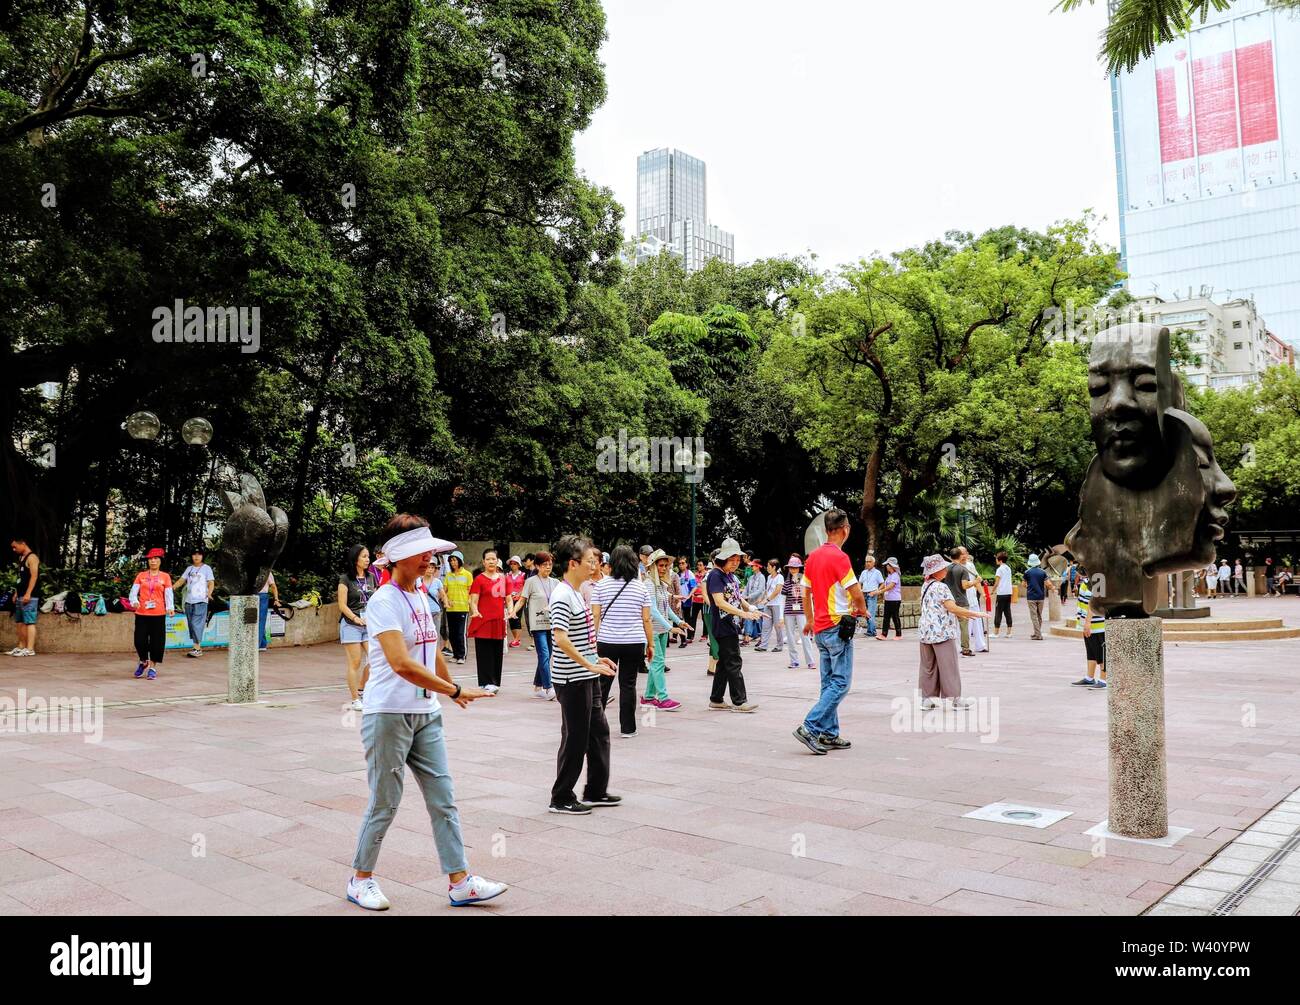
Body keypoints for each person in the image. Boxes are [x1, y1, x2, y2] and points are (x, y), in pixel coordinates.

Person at [347, 514, 506, 911]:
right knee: (385, 800)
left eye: (431, 552)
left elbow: (430, 648)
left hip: (426, 713)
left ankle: (460, 882)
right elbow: (401, 663)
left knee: (443, 798)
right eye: (422, 552)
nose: (430, 558)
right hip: (388, 714)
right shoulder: (384, 601)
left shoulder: (422, 596)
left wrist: (449, 693)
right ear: (398, 557)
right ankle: (360, 879)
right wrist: (453, 688)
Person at [548, 534, 620, 815]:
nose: (594, 565)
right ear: (572, 563)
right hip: (571, 678)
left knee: (599, 732)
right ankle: (561, 797)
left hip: (586, 674)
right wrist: (589, 665)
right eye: (589, 561)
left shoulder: (577, 591)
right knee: (575, 737)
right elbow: (561, 639)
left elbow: (579, 639)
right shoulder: (563, 595)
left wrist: (594, 658)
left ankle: (595, 790)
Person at [793, 509, 867, 755]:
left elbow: (805, 592)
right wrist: (862, 610)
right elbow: (855, 591)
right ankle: (810, 727)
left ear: (826, 531)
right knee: (842, 683)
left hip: (821, 629)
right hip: (837, 627)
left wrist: (811, 620)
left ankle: (829, 733)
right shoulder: (840, 558)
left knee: (828, 683)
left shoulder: (812, 557)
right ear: (845, 529)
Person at [591, 546, 654, 739]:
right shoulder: (640, 587)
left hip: (607, 641)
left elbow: (595, 615)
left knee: (603, 683)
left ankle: (595, 726)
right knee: (628, 684)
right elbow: (646, 619)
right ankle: (628, 728)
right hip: (634, 642)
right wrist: (650, 644)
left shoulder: (601, 586)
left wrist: (592, 641)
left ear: (611, 564)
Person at [916, 554, 987, 710]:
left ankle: (927, 699)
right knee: (949, 666)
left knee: (928, 667)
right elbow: (952, 607)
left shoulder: (926, 585)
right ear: (937, 571)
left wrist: (964, 614)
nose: (946, 569)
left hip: (926, 632)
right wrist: (975, 614)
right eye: (943, 567)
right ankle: (955, 699)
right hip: (942, 632)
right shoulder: (941, 587)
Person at [706, 539, 764, 711]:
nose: (735, 563)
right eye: (732, 560)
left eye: (738, 560)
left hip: (731, 624)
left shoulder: (729, 575)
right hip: (723, 625)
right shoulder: (715, 575)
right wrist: (743, 614)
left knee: (724, 664)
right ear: (723, 559)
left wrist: (751, 609)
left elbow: (737, 597)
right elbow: (719, 602)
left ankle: (716, 699)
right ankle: (739, 701)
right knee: (733, 662)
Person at [643, 550, 688, 711]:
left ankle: (648, 696)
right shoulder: (648, 583)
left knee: (657, 664)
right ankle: (663, 698)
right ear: (653, 566)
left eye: (666, 565)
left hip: (661, 630)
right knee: (657, 663)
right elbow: (653, 610)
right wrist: (671, 628)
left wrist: (679, 622)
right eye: (660, 565)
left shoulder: (660, 584)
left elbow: (665, 608)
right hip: (652, 631)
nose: (663, 568)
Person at [338, 544, 379, 711]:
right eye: (364, 556)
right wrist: (355, 618)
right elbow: (342, 605)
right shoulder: (345, 579)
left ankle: (363, 688)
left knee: (375, 658)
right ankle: (355, 699)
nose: (367, 559)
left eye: (368, 556)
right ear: (355, 559)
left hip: (368, 625)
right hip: (351, 625)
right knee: (354, 662)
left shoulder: (371, 577)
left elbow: (375, 599)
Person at [514, 551, 557, 700]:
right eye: (544, 565)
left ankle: (538, 685)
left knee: (547, 655)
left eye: (550, 564)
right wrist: (513, 612)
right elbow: (522, 600)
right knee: (544, 654)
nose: (548, 567)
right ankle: (548, 687)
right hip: (538, 625)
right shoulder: (531, 581)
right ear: (537, 565)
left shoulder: (555, 583)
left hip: (552, 624)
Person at [129, 548, 175, 679]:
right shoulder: (141, 576)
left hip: (158, 614)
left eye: (156, 558)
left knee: (157, 642)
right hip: (142, 613)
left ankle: (153, 668)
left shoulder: (165, 577)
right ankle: (143, 661)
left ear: (160, 561)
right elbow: (133, 593)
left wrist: (170, 607)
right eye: (150, 559)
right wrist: (134, 601)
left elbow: (168, 594)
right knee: (139, 641)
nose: (153, 561)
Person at [467, 549, 508, 692]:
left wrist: (512, 610)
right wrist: (475, 610)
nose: (491, 561)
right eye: (488, 559)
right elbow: (473, 600)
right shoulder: (479, 579)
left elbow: (507, 598)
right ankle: (485, 682)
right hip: (483, 621)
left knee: (497, 652)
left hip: (498, 621)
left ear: (497, 561)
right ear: (483, 562)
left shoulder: (503, 578)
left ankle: (495, 682)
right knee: (484, 652)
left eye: (493, 559)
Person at [1070, 569, 1107, 689]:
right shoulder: (1088, 579)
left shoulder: (1099, 578)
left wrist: (1088, 622)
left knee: (1101, 652)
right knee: (1091, 651)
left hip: (1098, 624)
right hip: (1088, 622)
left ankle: (1104, 680)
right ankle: (1089, 677)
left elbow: (1096, 602)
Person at [176, 547, 215, 658]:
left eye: (199, 554)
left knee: (196, 623)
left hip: (201, 601)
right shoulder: (189, 569)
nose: (196, 557)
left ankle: (197, 648)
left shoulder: (207, 569)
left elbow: (211, 582)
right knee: (191, 624)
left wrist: (209, 593)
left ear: (202, 556)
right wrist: (171, 588)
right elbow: (181, 580)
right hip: (189, 601)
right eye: (194, 554)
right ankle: (196, 647)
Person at [8, 537, 40, 657]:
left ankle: (30, 649)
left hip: (30, 596)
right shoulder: (21, 558)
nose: (13, 549)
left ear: (23, 544)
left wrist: (28, 593)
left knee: (29, 622)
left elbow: (34, 576)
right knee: (20, 621)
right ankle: (21, 646)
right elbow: (20, 578)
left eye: (15, 546)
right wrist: (17, 593)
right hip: (20, 595)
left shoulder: (32, 557)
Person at [782, 556, 816, 668]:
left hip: (802, 612)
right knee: (790, 637)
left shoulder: (805, 581)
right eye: (791, 568)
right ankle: (794, 661)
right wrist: (781, 616)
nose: (793, 570)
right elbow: (783, 599)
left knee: (805, 635)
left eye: (795, 568)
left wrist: (811, 614)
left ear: (799, 568)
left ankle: (810, 661)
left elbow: (809, 598)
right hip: (788, 612)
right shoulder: (786, 582)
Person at [944, 546, 979, 656]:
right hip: (961, 601)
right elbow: (965, 585)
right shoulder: (962, 569)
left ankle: (947, 648)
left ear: (951, 557)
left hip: (949, 601)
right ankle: (965, 649)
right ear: (960, 556)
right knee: (964, 627)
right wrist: (976, 581)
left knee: (948, 625)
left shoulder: (946, 568)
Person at [442, 551, 472, 664]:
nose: (452, 562)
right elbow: (444, 591)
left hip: (462, 608)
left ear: (460, 561)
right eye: (451, 560)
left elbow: (471, 592)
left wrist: (470, 604)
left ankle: (462, 655)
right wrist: (446, 600)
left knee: (461, 633)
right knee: (452, 633)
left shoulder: (467, 575)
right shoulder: (448, 575)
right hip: (450, 609)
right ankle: (455, 654)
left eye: (455, 560)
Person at [757, 558, 785, 652]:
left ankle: (779, 645)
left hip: (777, 604)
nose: (767, 568)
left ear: (774, 567)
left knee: (778, 626)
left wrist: (767, 599)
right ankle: (763, 645)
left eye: (769, 566)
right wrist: (762, 598)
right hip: (768, 604)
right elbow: (767, 589)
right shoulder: (769, 577)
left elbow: (777, 591)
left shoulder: (780, 577)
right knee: (766, 625)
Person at [857, 554, 884, 639]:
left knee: (871, 613)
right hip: (864, 594)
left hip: (872, 594)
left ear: (873, 563)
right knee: (865, 613)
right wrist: (860, 590)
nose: (867, 563)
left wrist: (877, 591)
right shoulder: (863, 572)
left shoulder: (877, 572)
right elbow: (859, 582)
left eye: (869, 562)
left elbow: (883, 583)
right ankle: (870, 631)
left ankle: (873, 631)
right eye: (866, 562)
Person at [1023, 553, 1049, 640]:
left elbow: (1024, 584)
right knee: (1039, 616)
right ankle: (1036, 633)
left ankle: (1038, 635)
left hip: (1031, 597)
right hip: (1041, 596)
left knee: (1034, 616)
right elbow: (1047, 583)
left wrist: (1029, 586)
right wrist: (1053, 588)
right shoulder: (1043, 572)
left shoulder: (1027, 572)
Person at [877, 558, 903, 640]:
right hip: (888, 599)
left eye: (888, 565)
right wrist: (877, 590)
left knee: (895, 616)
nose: (886, 566)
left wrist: (880, 591)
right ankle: (884, 635)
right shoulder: (889, 575)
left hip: (895, 600)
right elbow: (884, 584)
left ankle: (899, 634)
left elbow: (890, 586)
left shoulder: (895, 575)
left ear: (892, 566)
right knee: (886, 617)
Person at [741, 559, 766, 645]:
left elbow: (760, 591)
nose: (751, 567)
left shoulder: (762, 577)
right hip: (750, 604)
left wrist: (748, 596)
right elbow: (746, 589)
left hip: (759, 604)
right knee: (748, 619)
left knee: (759, 623)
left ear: (758, 567)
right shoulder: (751, 578)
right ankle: (746, 638)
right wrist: (742, 596)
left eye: (753, 566)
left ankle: (762, 639)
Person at [505, 556, 526, 648]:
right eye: (511, 563)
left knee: (517, 618)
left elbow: (525, 586)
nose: (513, 565)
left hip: (519, 599)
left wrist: (519, 593)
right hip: (509, 599)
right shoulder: (507, 575)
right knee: (511, 619)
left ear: (519, 565)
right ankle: (516, 639)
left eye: (515, 563)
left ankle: (516, 640)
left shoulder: (523, 575)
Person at [992, 551, 1013, 638]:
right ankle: (1009, 632)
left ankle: (996, 632)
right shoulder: (1008, 568)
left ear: (1000, 560)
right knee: (1007, 611)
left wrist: (992, 591)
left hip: (1001, 593)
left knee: (998, 612)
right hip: (1008, 592)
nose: (996, 560)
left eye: (996, 559)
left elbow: (997, 582)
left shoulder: (999, 569)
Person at [676, 557, 696, 649]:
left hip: (687, 600)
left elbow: (694, 586)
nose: (681, 565)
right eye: (679, 563)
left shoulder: (690, 574)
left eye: (683, 563)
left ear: (687, 564)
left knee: (688, 618)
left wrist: (689, 595)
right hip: (679, 599)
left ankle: (689, 636)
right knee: (679, 618)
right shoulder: (678, 575)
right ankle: (679, 636)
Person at [257, 571, 278, 652]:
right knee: (261, 621)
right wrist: (276, 599)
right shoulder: (266, 571)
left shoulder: (266, 572)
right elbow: (273, 586)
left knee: (259, 621)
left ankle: (257, 645)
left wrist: (276, 599)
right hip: (262, 596)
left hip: (259, 596)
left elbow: (273, 586)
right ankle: (262, 644)